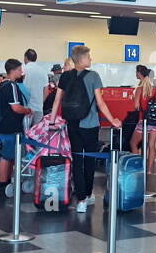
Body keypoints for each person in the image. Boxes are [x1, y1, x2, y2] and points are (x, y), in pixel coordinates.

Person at [50, 46, 122, 213]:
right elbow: (100, 103)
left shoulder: (65, 76)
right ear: (81, 59)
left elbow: (57, 101)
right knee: (89, 159)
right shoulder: (93, 76)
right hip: (89, 124)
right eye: (88, 56)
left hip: (72, 123)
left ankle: (80, 198)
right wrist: (113, 120)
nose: (91, 59)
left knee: (77, 159)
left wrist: (52, 123)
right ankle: (87, 195)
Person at [0, 59, 32, 185]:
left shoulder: (2, 85)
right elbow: (16, 108)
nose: (21, 72)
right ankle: (3, 182)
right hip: (11, 126)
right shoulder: (11, 86)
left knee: (8, 155)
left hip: (2, 125)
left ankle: (6, 181)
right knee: (7, 156)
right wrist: (27, 110)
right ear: (13, 70)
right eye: (20, 69)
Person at [129, 64, 156, 172]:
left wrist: (134, 98)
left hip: (144, 121)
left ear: (139, 73)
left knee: (133, 143)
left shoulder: (139, 89)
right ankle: (149, 170)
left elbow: (136, 106)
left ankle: (138, 166)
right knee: (151, 145)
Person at [21, 49, 46, 114]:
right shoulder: (43, 71)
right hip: (39, 109)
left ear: (25, 57)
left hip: (25, 109)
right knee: (38, 125)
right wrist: (40, 103)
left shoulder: (22, 70)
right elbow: (46, 91)